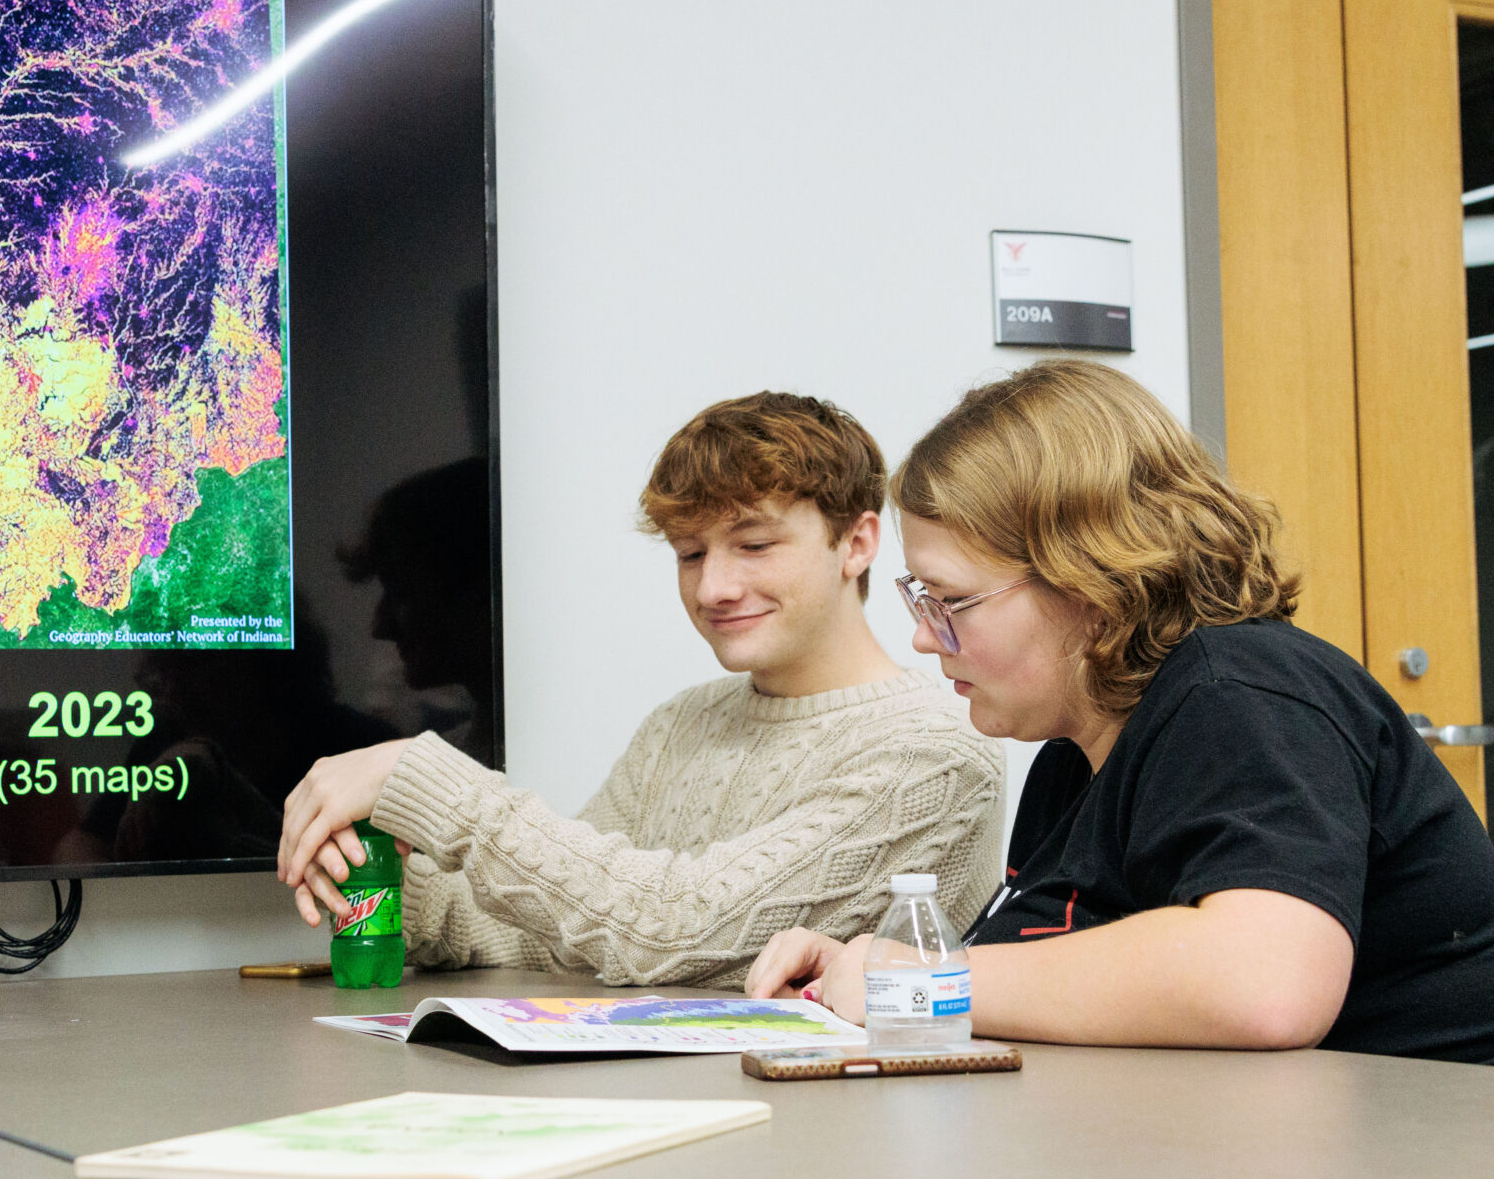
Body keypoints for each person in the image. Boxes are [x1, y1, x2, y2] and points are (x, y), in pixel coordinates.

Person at [750, 359, 1494, 1062]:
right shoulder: (1074, 758)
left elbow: (1267, 984)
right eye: (920, 598)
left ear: (1092, 581)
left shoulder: (1240, 692)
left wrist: (922, 984)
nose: (925, 637)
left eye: (951, 600)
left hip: (1424, 1152)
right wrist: (869, 971)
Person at [276, 392, 1003, 989]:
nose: (713, 587)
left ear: (858, 543)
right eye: (690, 553)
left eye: (754, 545)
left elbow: (673, 931)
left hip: (819, 1122)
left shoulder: (937, 754)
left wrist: (425, 782)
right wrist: (382, 873)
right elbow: (555, 929)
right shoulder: (681, 723)